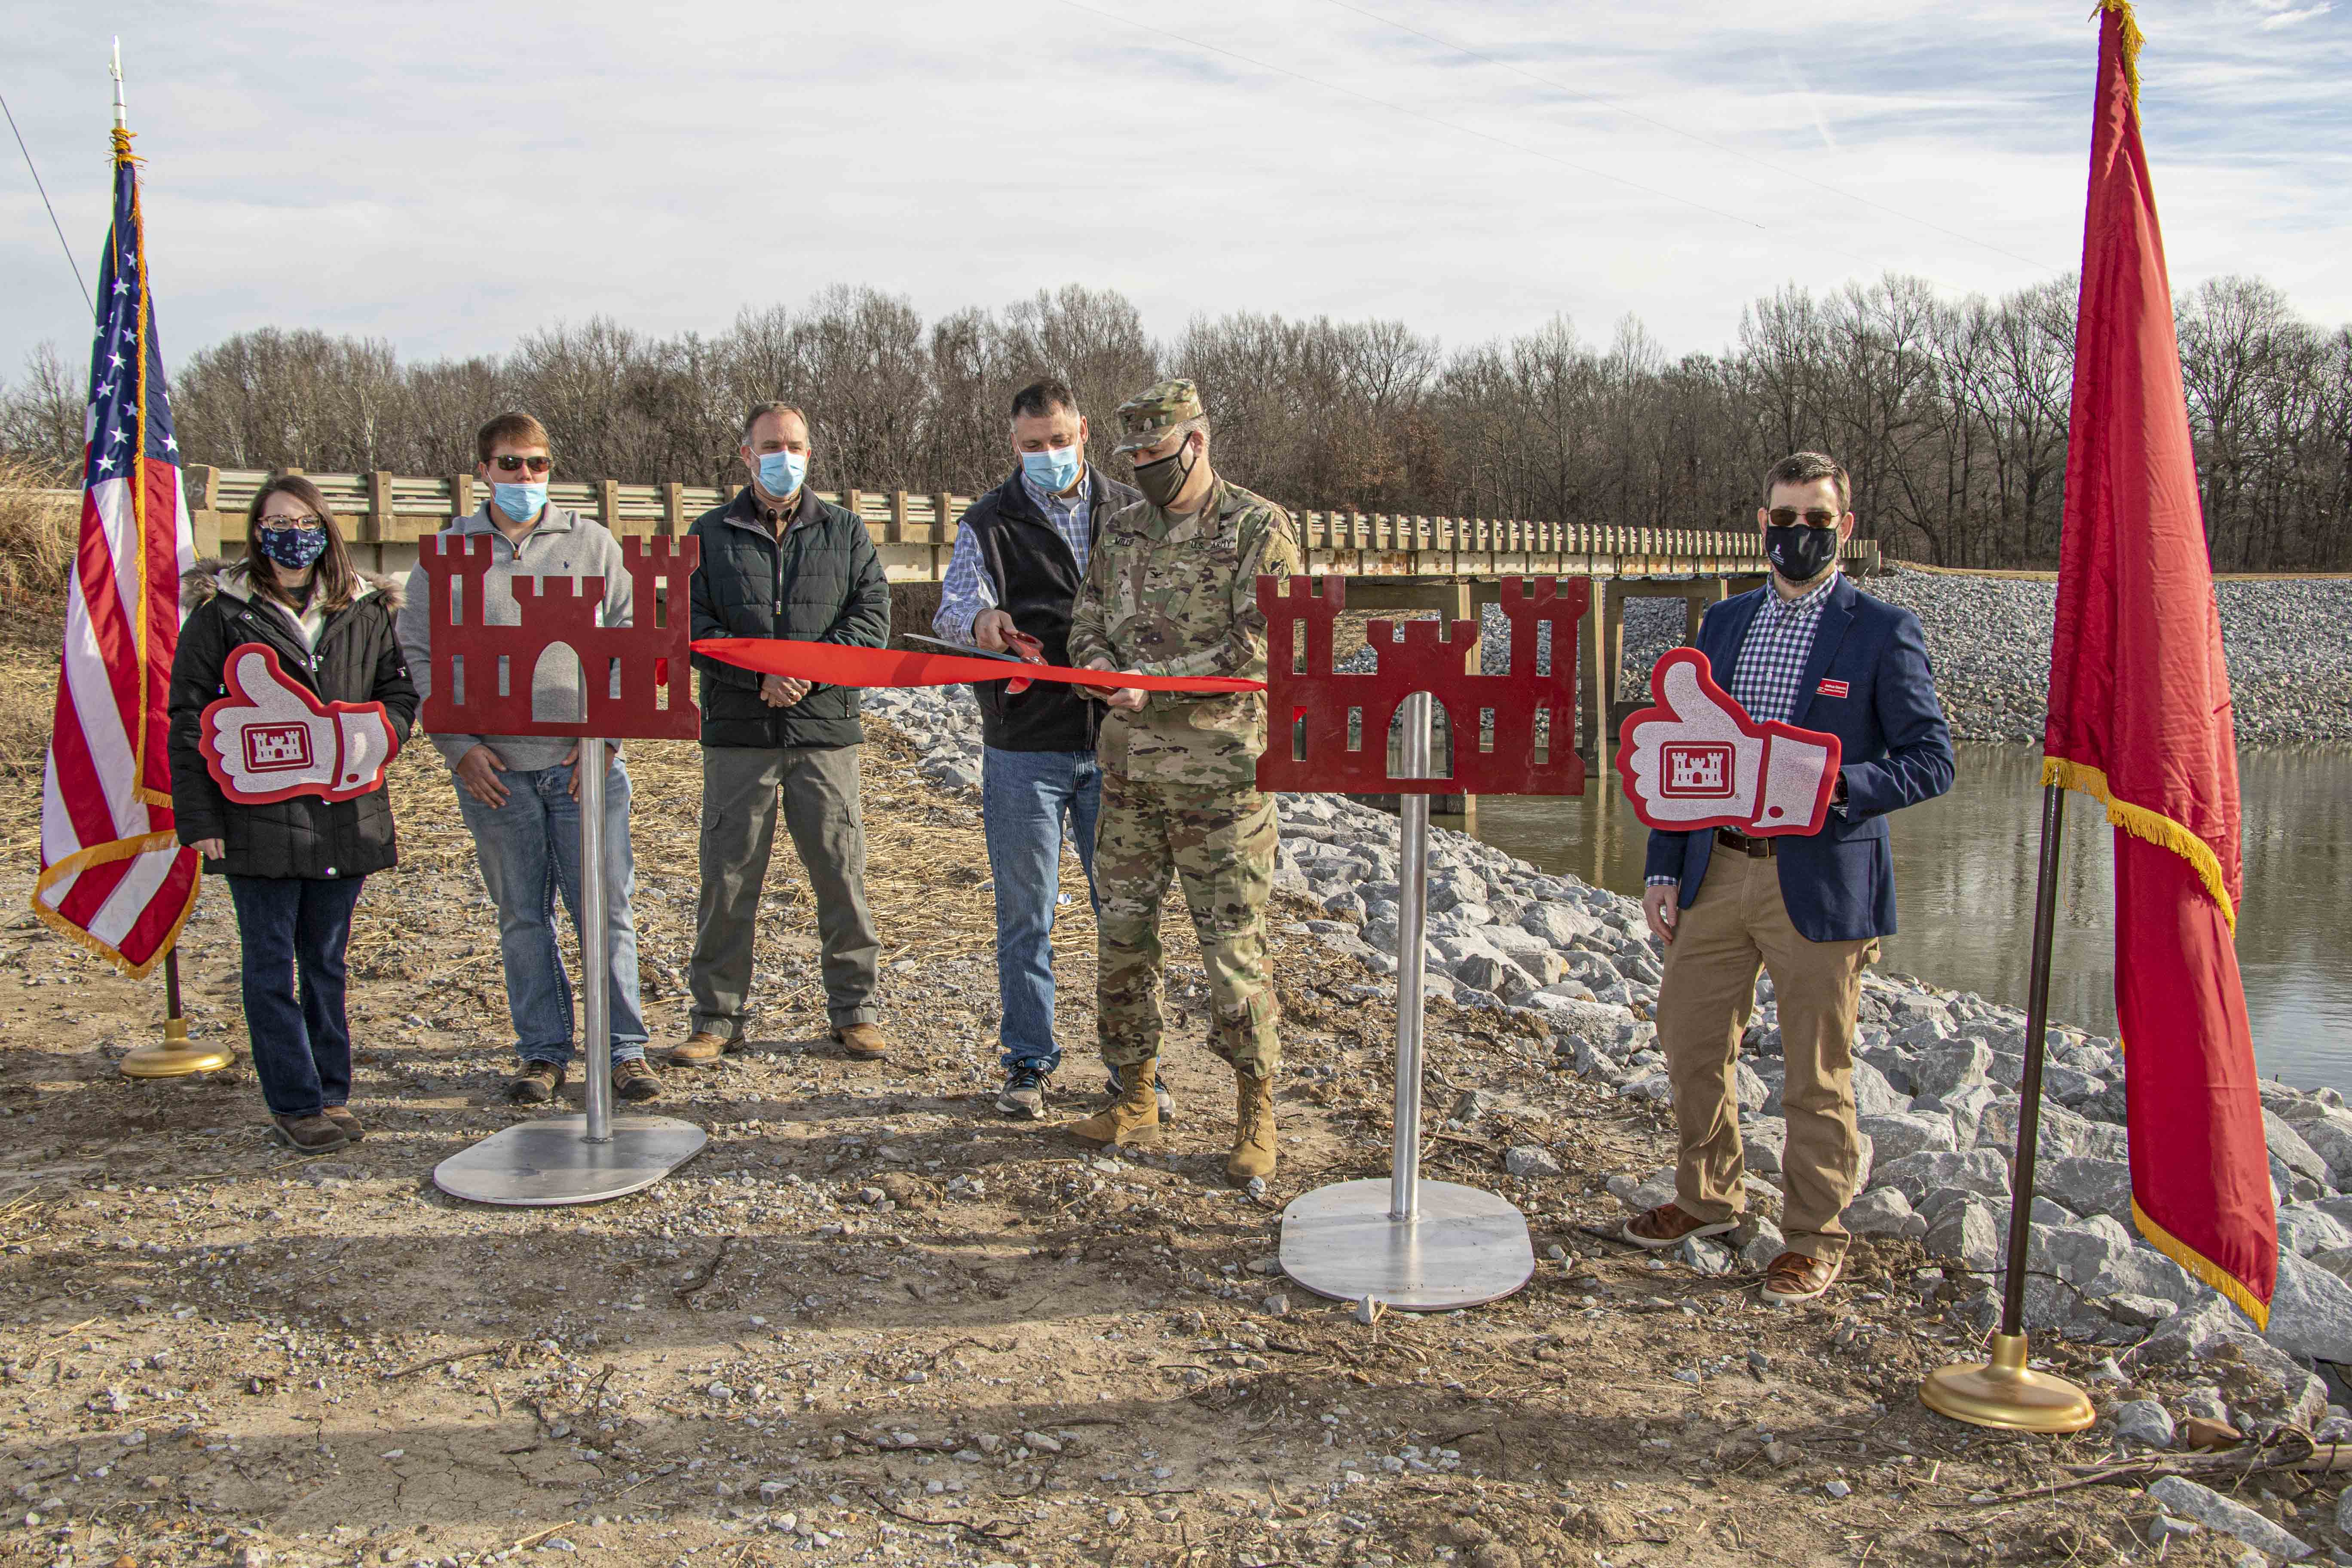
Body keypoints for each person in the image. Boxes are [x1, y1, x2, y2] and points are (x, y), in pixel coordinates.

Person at [1626, 450, 1954, 1305]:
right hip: (1719, 869)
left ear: (1843, 529)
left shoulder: (1881, 631)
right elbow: (1686, 751)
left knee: (1816, 1072)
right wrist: (1665, 861)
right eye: (1783, 519)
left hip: (1823, 879)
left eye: (1815, 520)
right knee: (1691, 1042)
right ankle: (1708, 1200)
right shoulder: (1726, 625)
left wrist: (1843, 786)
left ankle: (1814, 1235)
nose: (1797, 535)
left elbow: (1932, 760)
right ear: (1762, 524)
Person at [1063, 379, 1304, 1184]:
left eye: (1155, 454)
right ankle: (1135, 1098)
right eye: (1130, 456)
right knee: (1122, 943)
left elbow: (1264, 643)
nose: (1141, 469)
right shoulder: (1122, 529)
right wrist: (1100, 670)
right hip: (1129, 775)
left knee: (1234, 953)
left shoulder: (1257, 528)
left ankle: (1256, 1113)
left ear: (1195, 443)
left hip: (1221, 785)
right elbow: (1087, 617)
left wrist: (1154, 683)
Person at [395, 413, 662, 1106]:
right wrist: (457, 747)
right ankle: (542, 1052)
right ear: (483, 471)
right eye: (510, 465)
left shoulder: (592, 544)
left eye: (537, 465)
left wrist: (601, 741)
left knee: (604, 909)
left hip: (582, 766)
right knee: (522, 915)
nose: (525, 478)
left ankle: (624, 1049)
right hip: (494, 771)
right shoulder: (445, 554)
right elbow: (418, 653)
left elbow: (629, 644)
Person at [168, 475, 419, 1153]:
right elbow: (188, 720)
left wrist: (380, 735)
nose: (292, 533)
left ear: (325, 529)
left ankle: (332, 1091)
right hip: (257, 821)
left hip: (345, 811)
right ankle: (294, 1100)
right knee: (270, 963)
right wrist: (202, 822)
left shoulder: (362, 609)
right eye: (277, 521)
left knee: (327, 961)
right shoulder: (221, 614)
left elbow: (398, 693)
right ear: (256, 532)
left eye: (305, 520)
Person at [933, 378, 1147, 1120]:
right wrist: (982, 620)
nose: (1048, 456)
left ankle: (1132, 1065)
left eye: (1058, 441)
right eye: (1032, 447)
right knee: (1027, 914)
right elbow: (954, 605)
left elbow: (1161, 612)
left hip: (1119, 743)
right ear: (1013, 445)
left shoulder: (1133, 511)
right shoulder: (991, 519)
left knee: (1123, 910)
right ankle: (1028, 1059)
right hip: (1024, 747)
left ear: (1083, 430)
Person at [670, 403, 893, 1067]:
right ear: (746, 454)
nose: (784, 456)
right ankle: (716, 1016)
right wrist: (756, 679)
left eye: (795, 445)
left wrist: (803, 676)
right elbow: (692, 626)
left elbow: (870, 618)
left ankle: (855, 1011)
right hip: (740, 733)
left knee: (840, 874)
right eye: (772, 445)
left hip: (824, 732)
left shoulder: (846, 532)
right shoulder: (709, 535)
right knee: (729, 878)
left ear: (809, 452)